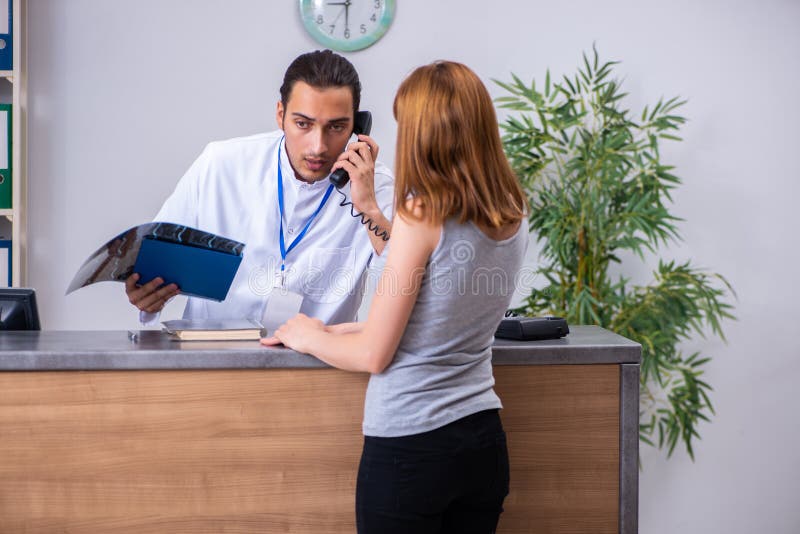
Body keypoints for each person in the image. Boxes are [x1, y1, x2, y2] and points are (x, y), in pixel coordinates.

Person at [261, 61, 528, 534]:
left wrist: (307, 335)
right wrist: (367, 205)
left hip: (412, 446)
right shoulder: (509, 210)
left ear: (423, 132)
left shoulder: (421, 213)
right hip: (482, 438)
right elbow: (431, 300)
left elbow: (373, 355)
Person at [123, 50, 394, 327]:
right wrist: (146, 292)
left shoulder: (376, 187)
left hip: (319, 353)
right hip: (213, 349)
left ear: (357, 128)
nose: (318, 147)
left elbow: (403, 286)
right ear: (281, 115)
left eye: (336, 127)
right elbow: (154, 258)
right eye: (303, 124)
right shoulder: (220, 164)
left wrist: (369, 208)